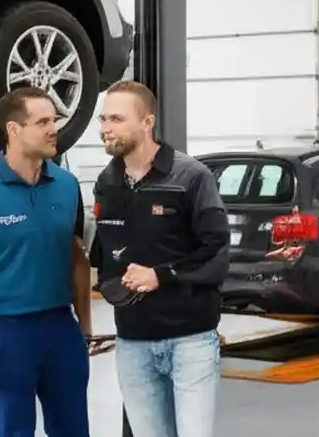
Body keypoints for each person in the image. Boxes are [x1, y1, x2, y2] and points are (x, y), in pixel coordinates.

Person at [0, 86, 94, 437]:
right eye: (42, 122)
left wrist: (84, 326)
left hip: (62, 328)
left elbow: (77, 259)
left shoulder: (67, 185)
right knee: (14, 431)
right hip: (8, 333)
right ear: (13, 130)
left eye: (54, 120)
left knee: (74, 430)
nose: (53, 128)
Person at [90, 80, 230, 437]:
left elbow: (216, 255)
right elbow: (105, 258)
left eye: (117, 119)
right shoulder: (107, 184)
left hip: (191, 341)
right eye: (104, 118)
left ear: (146, 122)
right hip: (133, 343)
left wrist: (161, 275)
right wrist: (113, 285)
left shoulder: (191, 177)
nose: (106, 128)